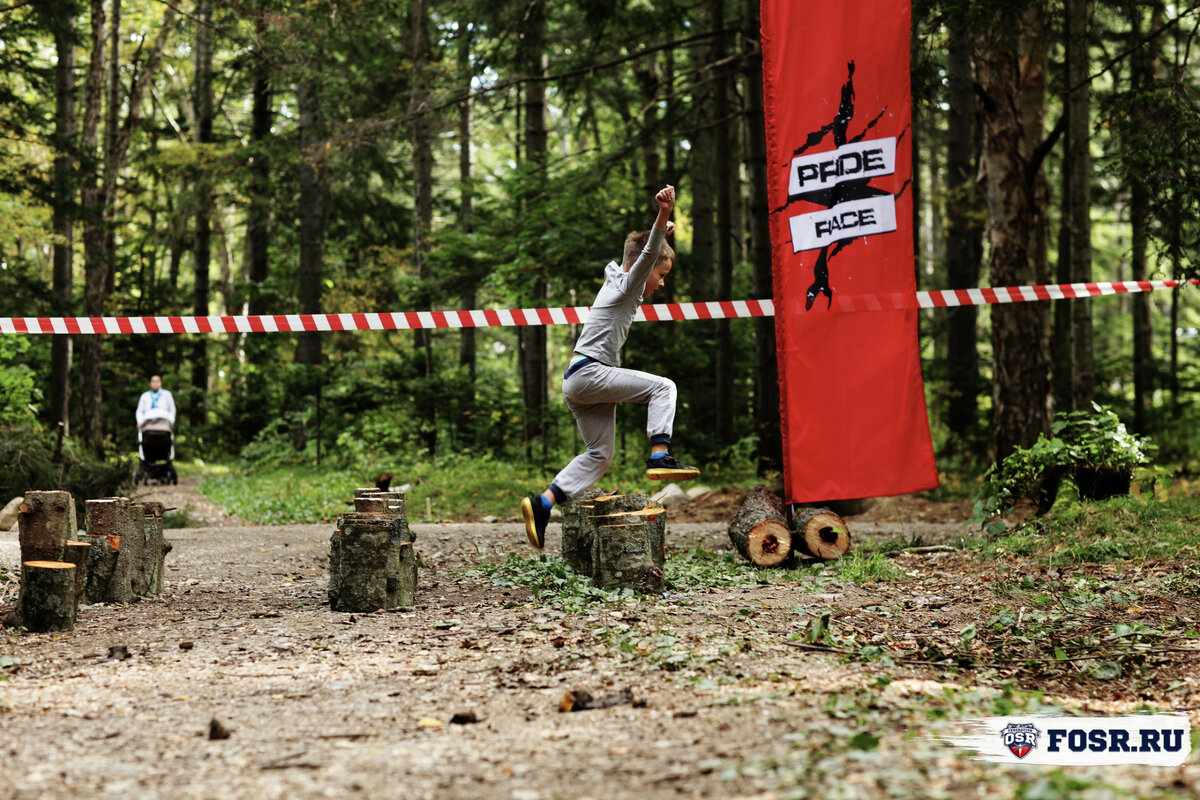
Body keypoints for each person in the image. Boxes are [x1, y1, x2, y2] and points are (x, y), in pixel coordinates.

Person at [521, 185, 699, 548]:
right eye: (660, 275)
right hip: (590, 373)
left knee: (599, 456)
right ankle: (660, 454)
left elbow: (638, 252)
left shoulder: (616, 280)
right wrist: (662, 216)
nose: (661, 283)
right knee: (663, 387)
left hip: (578, 381)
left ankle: (543, 503)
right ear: (643, 270)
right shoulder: (628, 286)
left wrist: (661, 234)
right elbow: (645, 254)